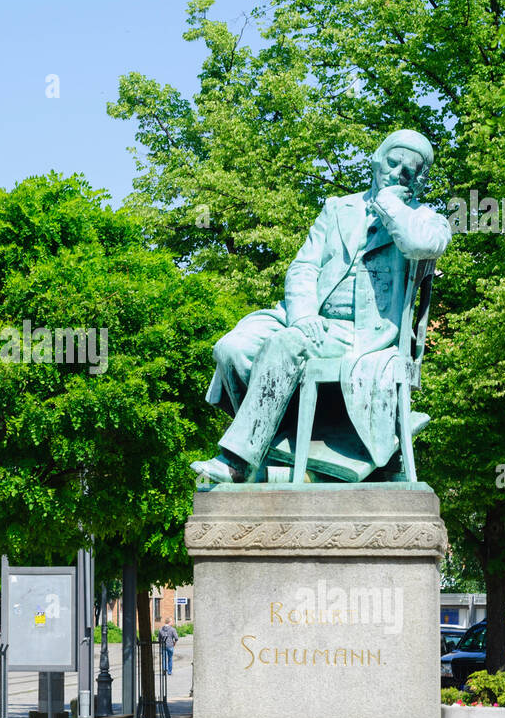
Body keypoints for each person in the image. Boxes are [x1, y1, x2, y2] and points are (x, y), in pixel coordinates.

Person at [191, 129, 452, 484]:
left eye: (409, 171)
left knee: (287, 345)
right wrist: (302, 315)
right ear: (376, 160)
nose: (397, 173)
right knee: (231, 348)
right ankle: (270, 444)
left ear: (419, 180)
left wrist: (390, 203)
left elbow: (420, 245)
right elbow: (304, 267)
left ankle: (237, 461)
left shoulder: (426, 220)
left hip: (360, 335)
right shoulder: (336, 208)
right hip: (302, 315)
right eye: (392, 162)